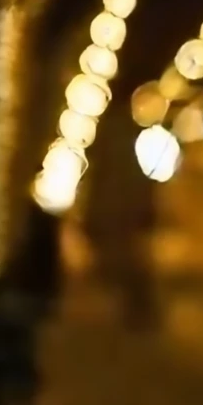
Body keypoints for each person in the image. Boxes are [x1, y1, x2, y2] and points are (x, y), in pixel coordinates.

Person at [80, 98, 161, 331]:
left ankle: (139, 310)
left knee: (127, 260)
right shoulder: (121, 152)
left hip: (119, 211)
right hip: (119, 211)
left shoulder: (118, 152)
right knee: (125, 260)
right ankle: (136, 310)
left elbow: (127, 183)